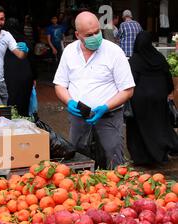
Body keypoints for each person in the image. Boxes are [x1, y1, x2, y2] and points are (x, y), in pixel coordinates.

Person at [54, 11, 135, 169]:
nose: (95, 36)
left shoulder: (114, 52)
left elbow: (127, 90)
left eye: (97, 32)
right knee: (78, 159)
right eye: (89, 34)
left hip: (108, 117)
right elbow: (60, 85)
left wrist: (105, 107)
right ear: (78, 35)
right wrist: (69, 102)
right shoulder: (69, 52)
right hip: (79, 117)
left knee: (113, 157)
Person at [126, 31, 178, 165]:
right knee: (158, 124)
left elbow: (131, 81)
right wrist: (167, 92)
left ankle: (141, 157)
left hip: (140, 99)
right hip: (159, 97)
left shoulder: (135, 60)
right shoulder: (159, 57)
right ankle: (160, 152)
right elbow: (168, 78)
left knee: (139, 127)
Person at [4, 18, 38, 117]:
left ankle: (9, 120)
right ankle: (23, 122)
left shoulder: (3, 40)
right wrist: (34, 77)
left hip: (7, 74)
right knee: (23, 102)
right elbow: (32, 60)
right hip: (25, 75)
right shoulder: (25, 40)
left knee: (9, 101)